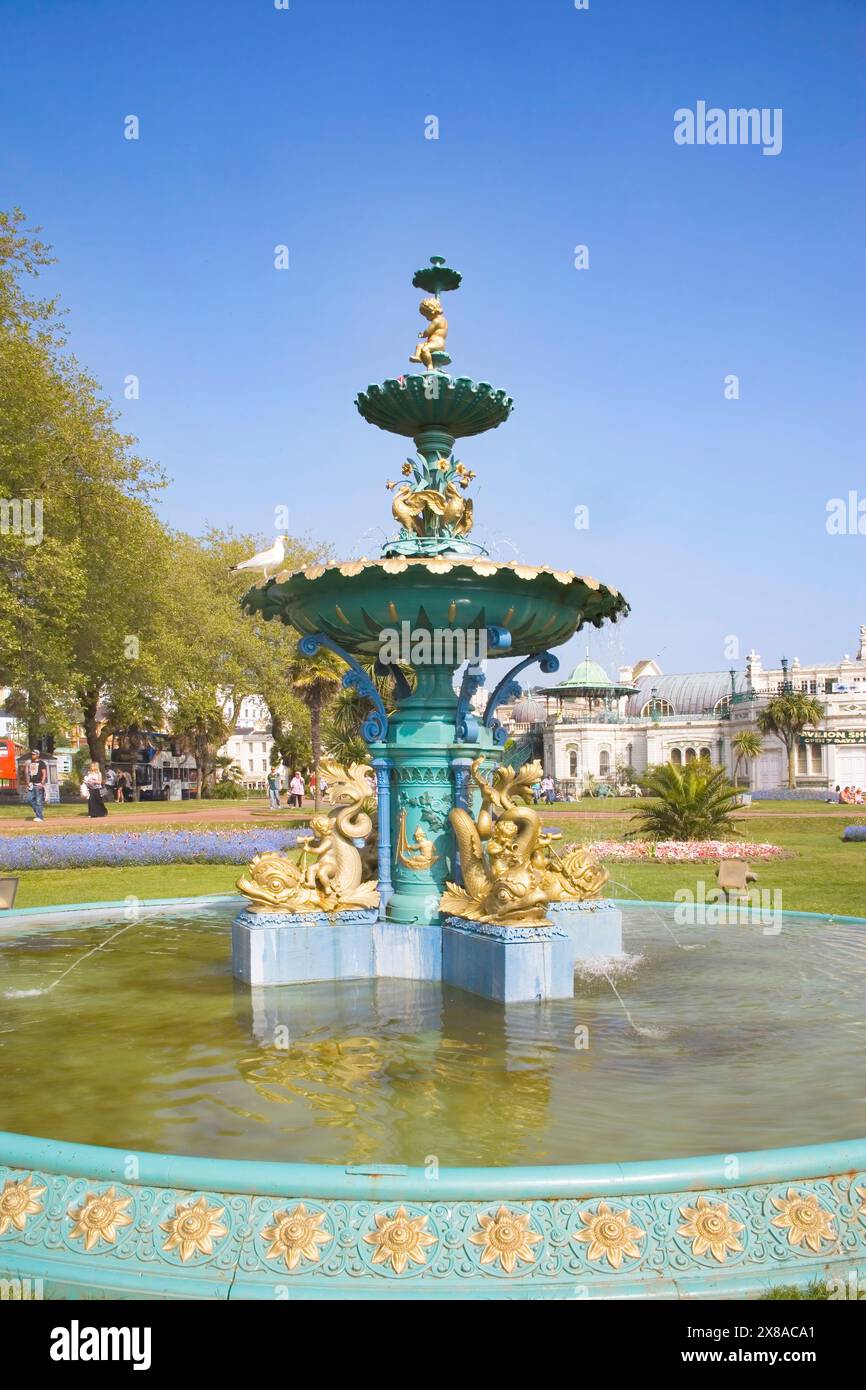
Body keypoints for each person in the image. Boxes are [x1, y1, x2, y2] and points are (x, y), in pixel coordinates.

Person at [26, 749, 48, 823]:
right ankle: (39, 813)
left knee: (38, 801)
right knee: (29, 799)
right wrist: (28, 783)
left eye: (34, 754)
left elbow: (44, 773)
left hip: (38, 784)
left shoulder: (41, 763)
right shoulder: (31, 763)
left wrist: (42, 783)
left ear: (38, 755)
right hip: (32, 784)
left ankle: (39, 817)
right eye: (32, 754)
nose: (32, 755)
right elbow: (29, 773)